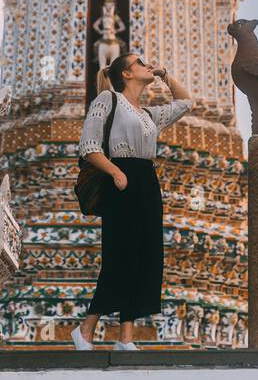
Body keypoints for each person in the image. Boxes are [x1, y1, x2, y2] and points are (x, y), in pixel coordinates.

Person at [71, 54, 191, 351]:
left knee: (146, 256)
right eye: (141, 62)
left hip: (147, 181)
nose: (147, 65)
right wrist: (114, 172)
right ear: (126, 73)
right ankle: (86, 329)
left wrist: (164, 74)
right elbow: (89, 146)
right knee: (120, 255)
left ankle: (126, 337)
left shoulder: (148, 115)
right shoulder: (107, 100)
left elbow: (186, 103)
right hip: (120, 179)